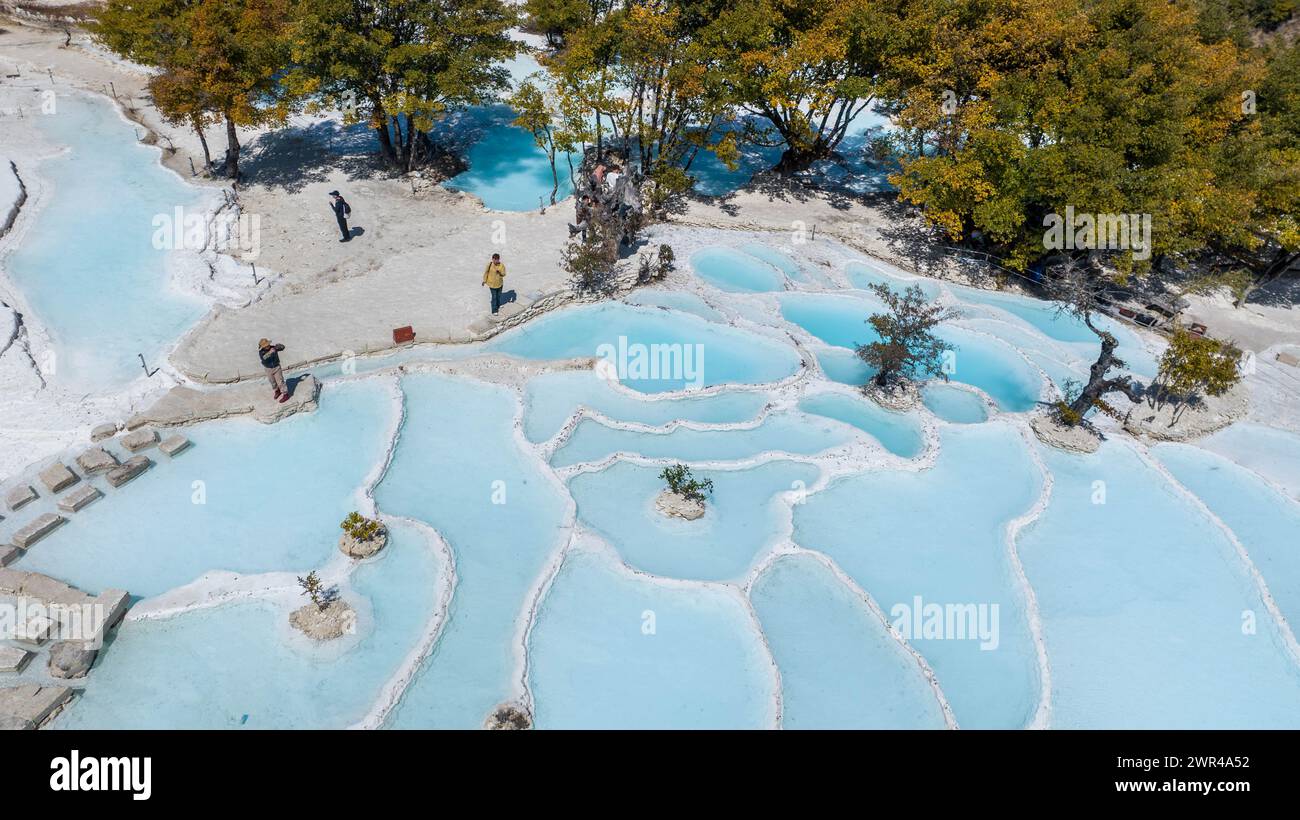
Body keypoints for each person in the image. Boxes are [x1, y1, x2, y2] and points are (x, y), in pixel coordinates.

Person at [258, 339, 290, 403]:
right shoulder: (261, 352)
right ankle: (277, 391)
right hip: (268, 369)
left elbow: (283, 347)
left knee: (280, 381)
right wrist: (270, 352)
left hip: (276, 367)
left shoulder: (273, 348)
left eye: (268, 345)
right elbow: (264, 358)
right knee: (272, 381)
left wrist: (280, 346)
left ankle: (285, 394)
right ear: (263, 347)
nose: (267, 346)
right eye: (266, 345)